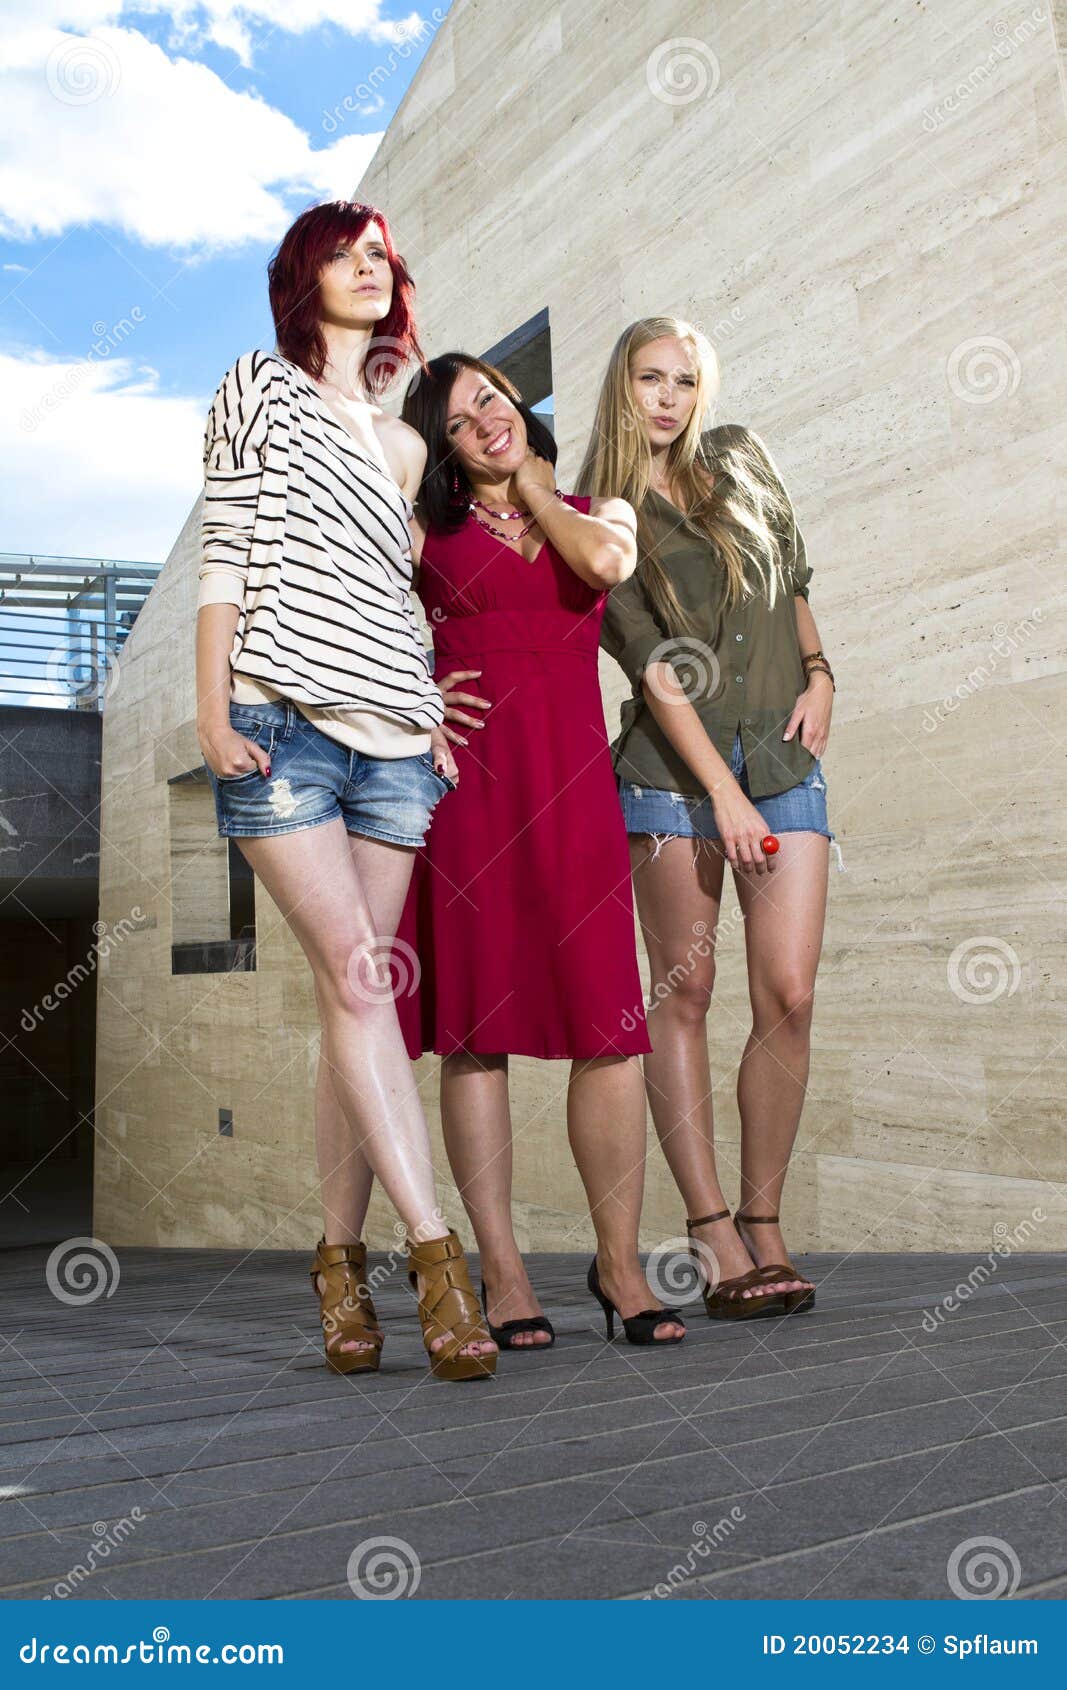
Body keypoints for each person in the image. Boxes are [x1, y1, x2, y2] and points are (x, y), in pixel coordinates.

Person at [195, 200, 496, 1381]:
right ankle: (437, 1262)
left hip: (396, 747)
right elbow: (225, 553)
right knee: (364, 984)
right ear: (303, 273)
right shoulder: (256, 389)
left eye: (381, 254)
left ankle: (337, 1265)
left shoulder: (406, 448)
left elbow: (390, 594)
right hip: (281, 729)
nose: (368, 266)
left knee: (352, 1004)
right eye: (344, 250)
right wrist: (212, 709)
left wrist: (428, 711)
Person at [385, 352, 687, 1349]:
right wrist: (415, 700)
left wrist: (532, 488)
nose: (483, 419)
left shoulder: (600, 511)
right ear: (442, 450)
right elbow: (360, 621)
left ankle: (619, 1265)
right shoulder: (422, 533)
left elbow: (602, 568)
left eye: (490, 398)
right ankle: (504, 1273)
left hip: (576, 797)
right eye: (458, 419)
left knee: (609, 1029)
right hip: (470, 799)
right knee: (477, 1033)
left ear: (516, 403)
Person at [578, 315, 837, 1319]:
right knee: (684, 990)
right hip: (669, 777)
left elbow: (792, 584)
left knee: (788, 993)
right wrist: (719, 792)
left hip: (781, 756)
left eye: (684, 380)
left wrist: (821, 673)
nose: (668, 398)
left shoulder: (742, 462)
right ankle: (711, 1227)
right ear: (622, 385)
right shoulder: (602, 513)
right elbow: (649, 662)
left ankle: (764, 1218)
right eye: (650, 378)